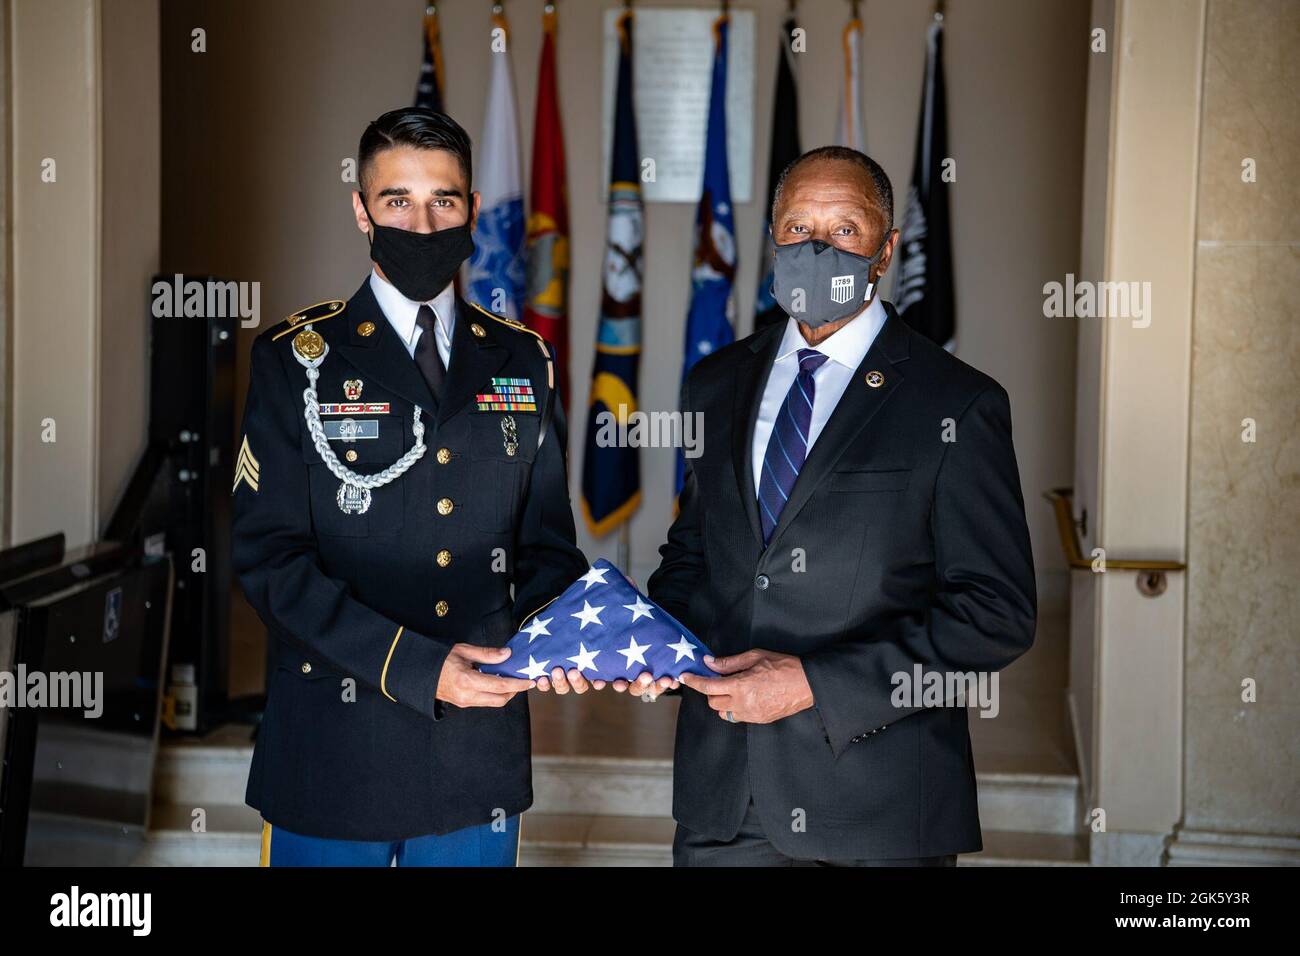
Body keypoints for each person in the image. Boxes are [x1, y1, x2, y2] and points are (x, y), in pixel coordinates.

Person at [626, 146, 1037, 866]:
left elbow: (994, 616)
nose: (817, 247)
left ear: (886, 249)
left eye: (844, 229)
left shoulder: (958, 403)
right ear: (773, 242)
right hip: (725, 801)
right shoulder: (715, 384)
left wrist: (811, 684)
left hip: (876, 805)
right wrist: (655, 645)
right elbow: (695, 558)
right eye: (797, 227)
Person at [232, 107, 589, 866]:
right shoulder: (297, 357)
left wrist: (563, 637)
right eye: (397, 200)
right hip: (333, 751)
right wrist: (423, 669)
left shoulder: (523, 360)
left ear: (473, 211)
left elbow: (549, 550)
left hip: (474, 759)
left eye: (444, 201)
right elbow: (270, 562)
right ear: (361, 209)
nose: (422, 222)